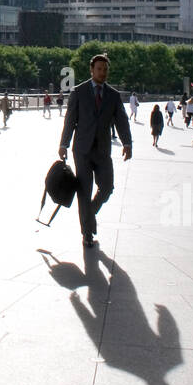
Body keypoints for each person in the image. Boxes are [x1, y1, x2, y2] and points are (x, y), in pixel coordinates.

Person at [60, 53, 132, 248]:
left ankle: (88, 214)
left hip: (102, 150)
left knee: (107, 187)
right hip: (81, 149)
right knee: (85, 190)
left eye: (105, 69)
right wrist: (63, 144)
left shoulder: (114, 95)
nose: (103, 72)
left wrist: (127, 143)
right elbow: (70, 120)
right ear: (92, 70)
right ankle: (87, 233)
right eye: (99, 69)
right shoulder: (78, 92)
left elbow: (121, 120)